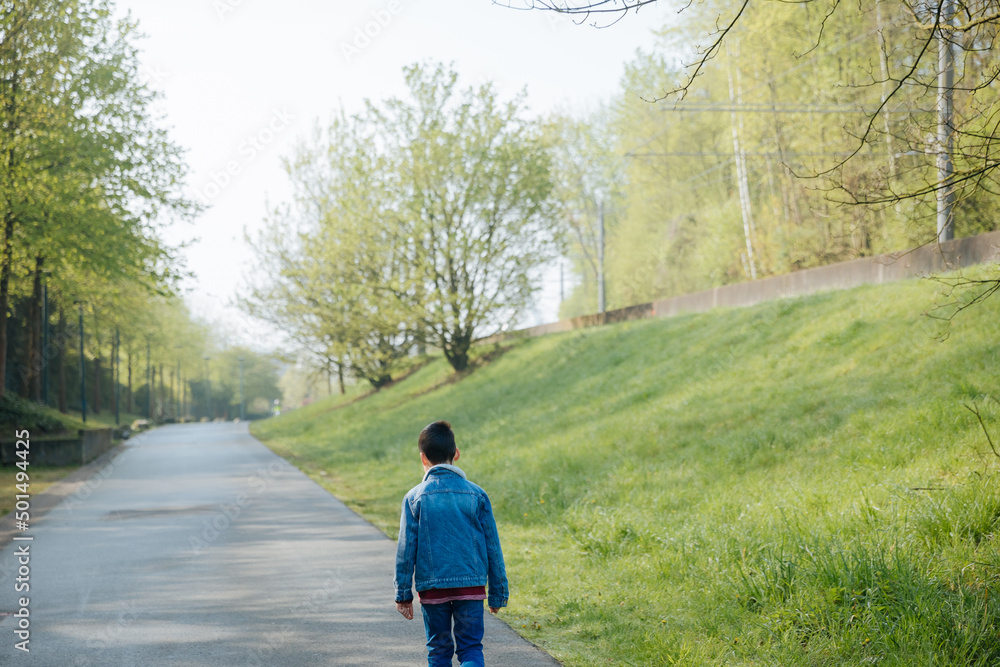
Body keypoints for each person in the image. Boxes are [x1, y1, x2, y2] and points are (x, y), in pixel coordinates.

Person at [394, 420, 509, 667]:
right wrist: (498, 592)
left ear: (423, 458)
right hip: (471, 585)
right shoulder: (477, 494)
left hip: (432, 587)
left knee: (438, 651)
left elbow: (406, 550)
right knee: (471, 649)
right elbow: (492, 546)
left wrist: (403, 594)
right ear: (456, 453)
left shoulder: (414, 497)